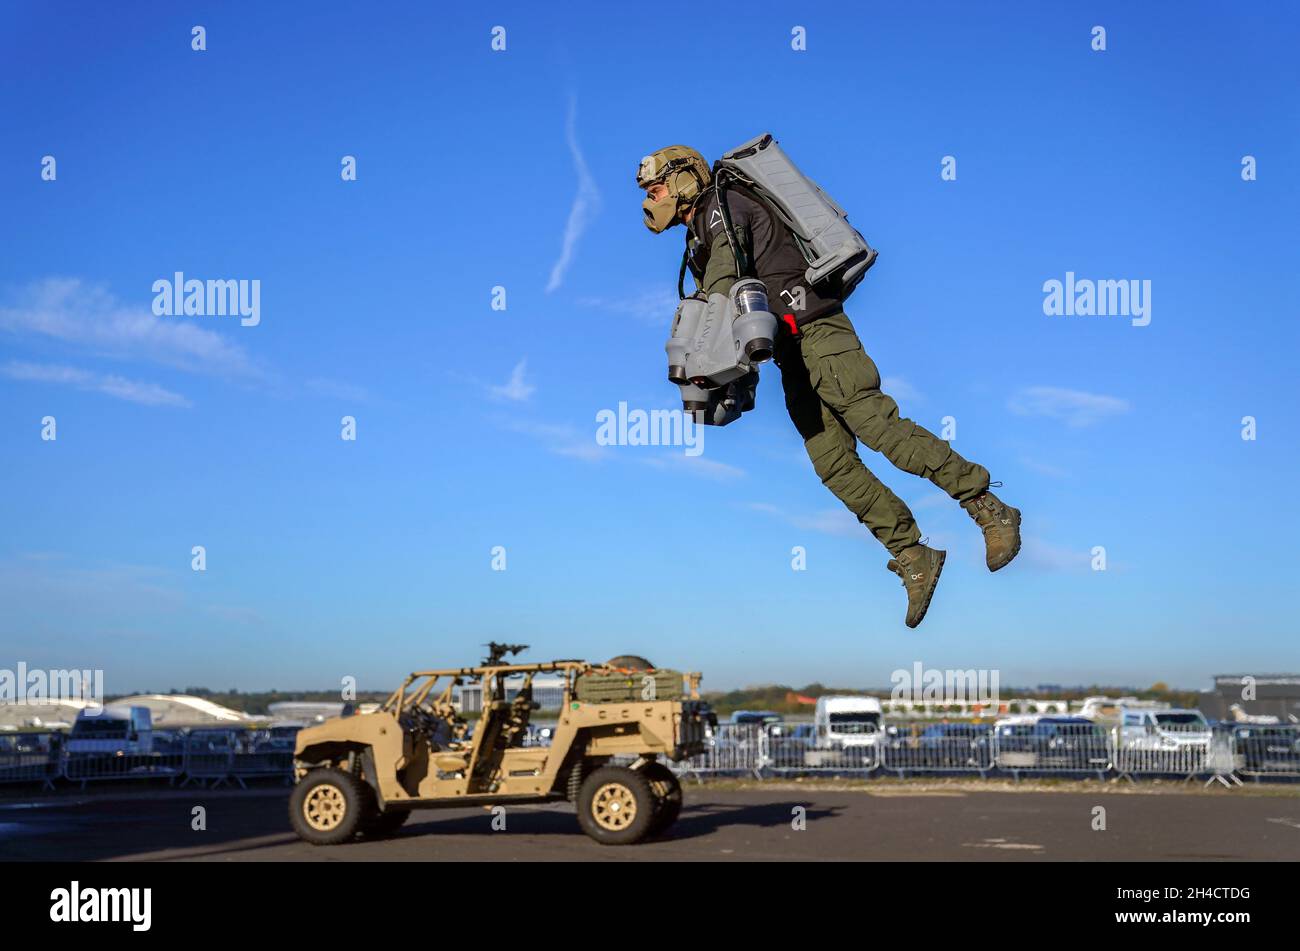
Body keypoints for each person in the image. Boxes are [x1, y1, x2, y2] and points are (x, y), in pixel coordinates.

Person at [638, 145, 1021, 627]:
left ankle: (987, 506)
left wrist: (697, 353)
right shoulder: (696, 236)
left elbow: (724, 284)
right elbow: (735, 309)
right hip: (789, 352)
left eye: (655, 189)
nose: (650, 201)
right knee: (832, 462)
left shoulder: (724, 203)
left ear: (683, 179)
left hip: (817, 330)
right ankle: (911, 553)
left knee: (876, 425)